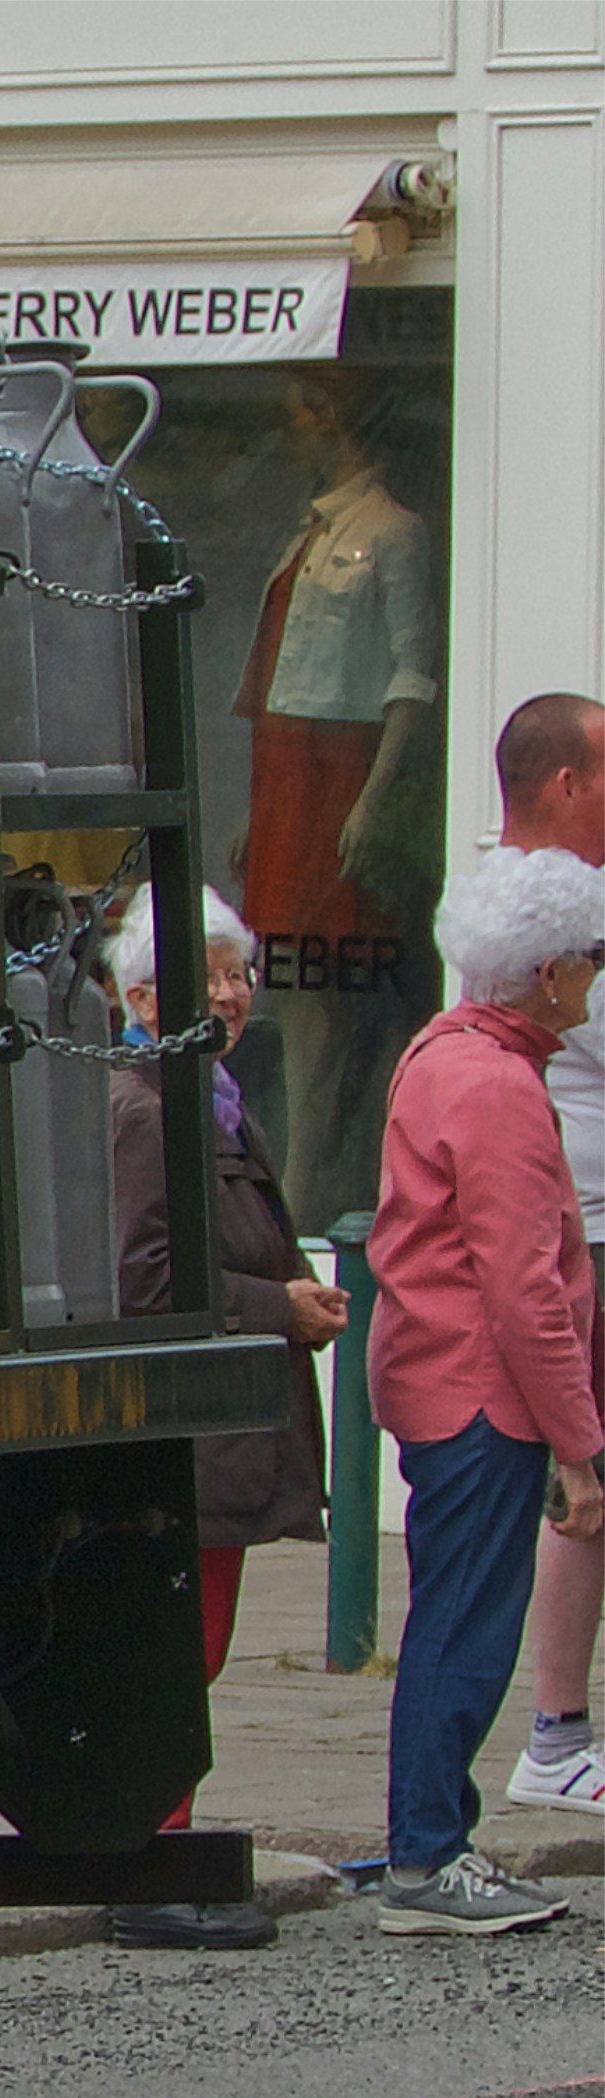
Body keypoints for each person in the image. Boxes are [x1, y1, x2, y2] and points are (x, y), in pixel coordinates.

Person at [361, 845, 605, 1932]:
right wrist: (581, 1448)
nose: (595, 975)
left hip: (442, 1376)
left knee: (451, 1617)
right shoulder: (499, 1084)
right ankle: (427, 1856)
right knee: (465, 1629)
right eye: (591, 956)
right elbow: (524, 1288)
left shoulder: (443, 1050)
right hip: (479, 1392)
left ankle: (432, 1841)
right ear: (549, 973)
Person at [102, 891, 339, 1950]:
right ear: (144, 998)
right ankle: (151, 1864)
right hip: (183, 1436)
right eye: (207, 975)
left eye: (239, 973)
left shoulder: (210, 1097)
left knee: (196, 1647)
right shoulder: (150, 1111)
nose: (233, 993)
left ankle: (169, 1850)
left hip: (224, 1431)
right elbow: (146, 1283)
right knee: (176, 1651)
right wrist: (278, 1306)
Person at [235, 370, 447, 1228]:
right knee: (291, 987)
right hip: (290, 773)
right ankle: (301, 1183)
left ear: (330, 418)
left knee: (328, 992)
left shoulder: (393, 532)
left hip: (339, 773)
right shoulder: (311, 528)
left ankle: (310, 1191)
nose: (286, 436)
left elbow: (413, 672)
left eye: (295, 417)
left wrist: (370, 798)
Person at [484, 696, 605, 1811]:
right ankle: (558, 1735)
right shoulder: (554, 911)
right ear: (566, 783)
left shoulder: (498, 892)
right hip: (588, 1229)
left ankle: (560, 1732)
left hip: (573, 1225)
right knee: (586, 1485)